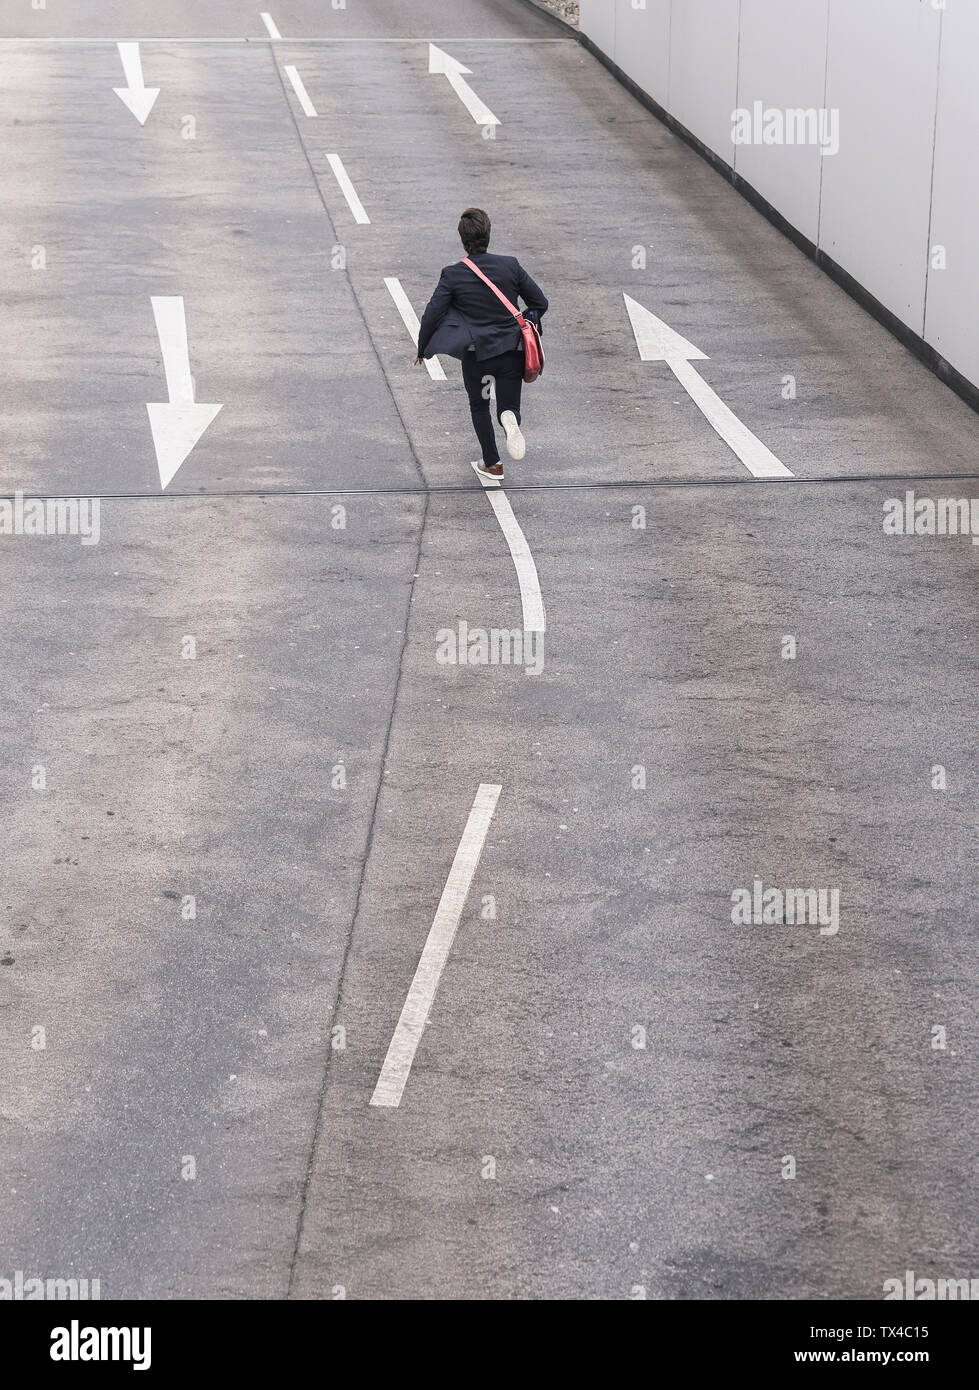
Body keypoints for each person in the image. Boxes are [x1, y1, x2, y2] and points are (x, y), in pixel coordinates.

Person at [415, 208, 548, 480]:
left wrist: (423, 348)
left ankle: (493, 463)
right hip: (512, 351)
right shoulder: (510, 265)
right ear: (488, 234)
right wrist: (525, 321)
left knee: (480, 405)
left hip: (478, 357)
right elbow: (540, 302)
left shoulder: (453, 275)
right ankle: (510, 420)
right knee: (509, 407)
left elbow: (432, 314)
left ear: (462, 240)